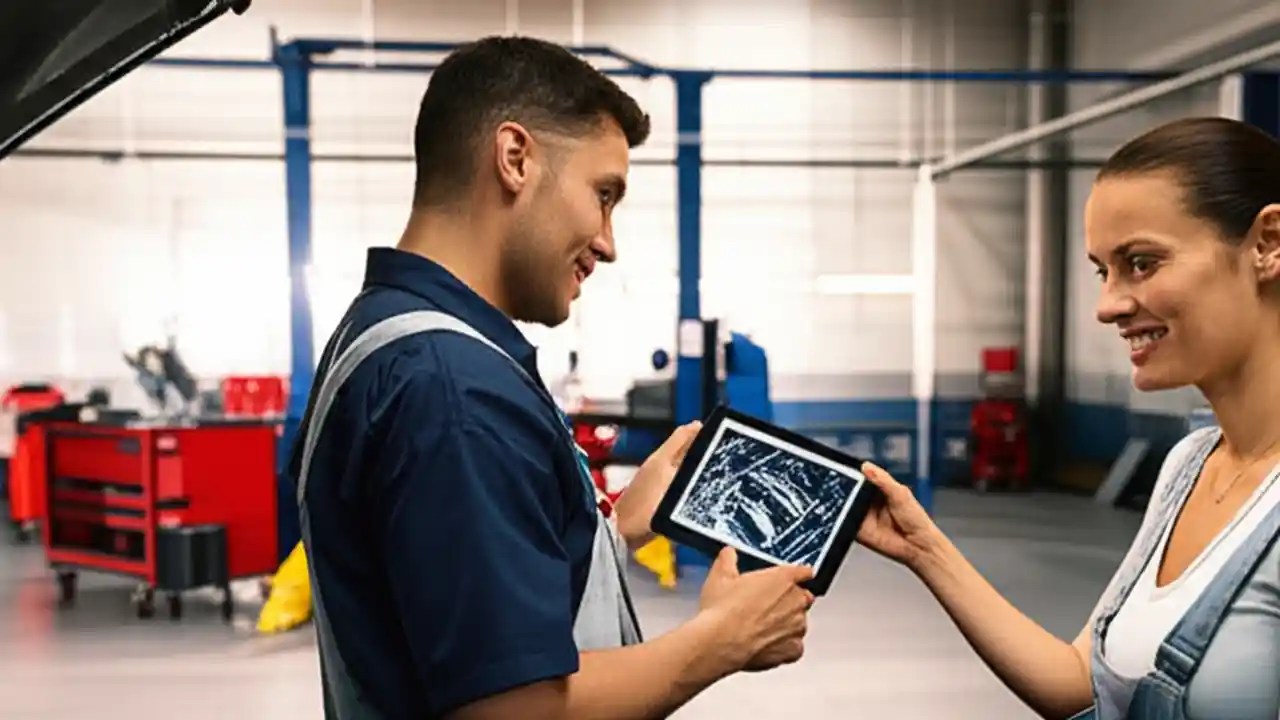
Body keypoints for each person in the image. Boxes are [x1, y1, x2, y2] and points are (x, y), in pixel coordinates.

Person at [287, 36, 815, 720]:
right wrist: (720, 640)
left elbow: (450, 598)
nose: (608, 241)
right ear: (515, 159)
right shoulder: (453, 388)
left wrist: (619, 529)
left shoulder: (386, 333)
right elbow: (511, 709)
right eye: (604, 195)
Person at [856, 115, 1280, 719]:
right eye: (1102, 270)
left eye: (1141, 262)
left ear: (1267, 243)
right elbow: (1079, 683)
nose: (1107, 305)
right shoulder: (1187, 466)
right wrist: (926, 550)